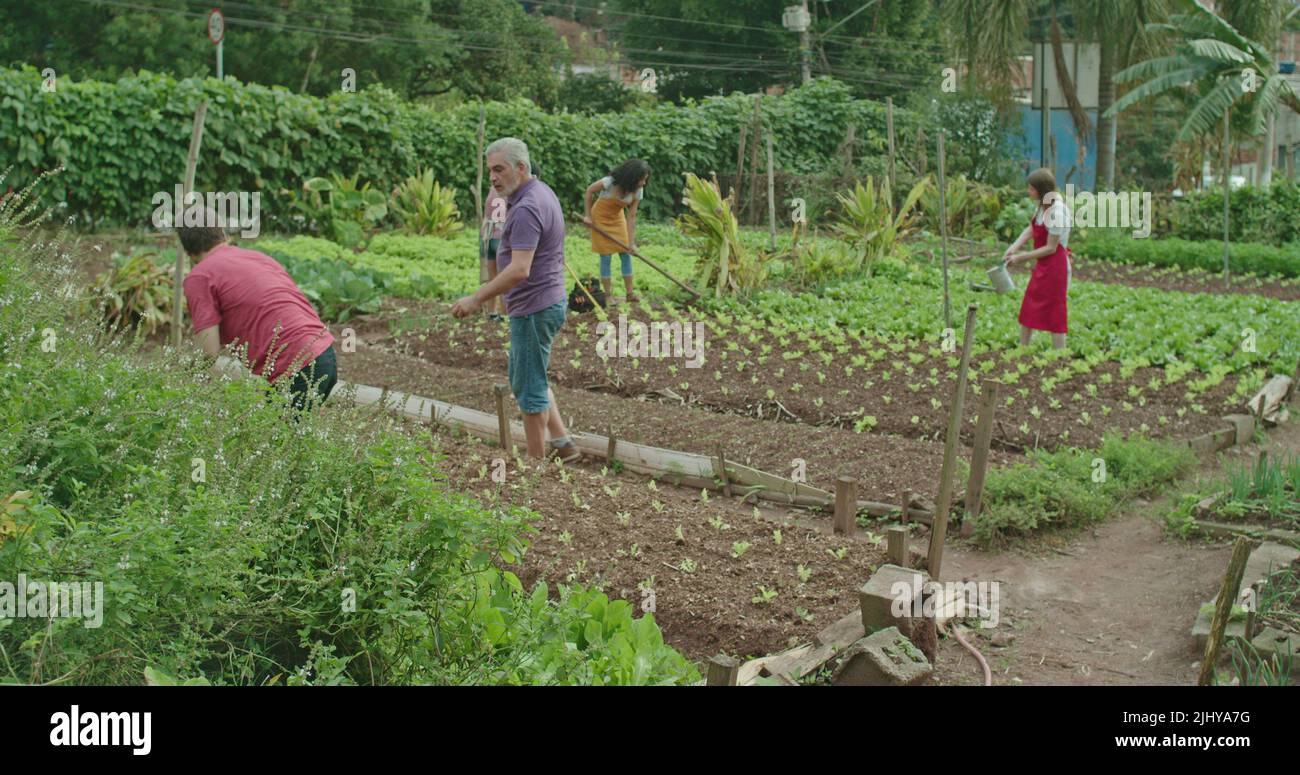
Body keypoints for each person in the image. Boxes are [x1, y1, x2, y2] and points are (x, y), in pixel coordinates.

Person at [451, 137, 580, 463]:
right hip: (542, 302)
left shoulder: (527, 208)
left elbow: (519, 269)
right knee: (532, 375)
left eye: (499, 169)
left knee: (527, 386)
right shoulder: (540, 191)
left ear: (521, 167)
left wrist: (476, 299)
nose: (493, 178)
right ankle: (564, 446)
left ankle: (536, 465)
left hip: (536, 308)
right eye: (490, 171)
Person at [179, 215, 337, 410]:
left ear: (187, 251)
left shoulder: (200, 276)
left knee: (276, 437)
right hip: (324, 352)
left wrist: (184, 385)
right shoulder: (257, 257)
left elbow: (208, 352)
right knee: (285, 434)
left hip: (296, 365)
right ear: (223, 234)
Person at [1003, 167, 1072, 350]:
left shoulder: (1057, 212)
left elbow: (1051, 248)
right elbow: (1032, 229)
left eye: (1032, 189)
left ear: (1042, 190)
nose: (1029, 191)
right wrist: (1013, 248)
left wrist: (1022, 257)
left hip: (1055, 267)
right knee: (1030, 305)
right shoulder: (1042, 206)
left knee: (1055, 310)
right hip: (1043, 265)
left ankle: (1060, 355)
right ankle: (1022, 349)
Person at [581, 158, 650, 305]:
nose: (643, 183)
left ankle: (630, 294)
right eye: (641, 179)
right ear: (632, 177)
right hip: (599, 219)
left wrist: (631, 243)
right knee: (606, 257)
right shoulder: (609, 182)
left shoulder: (638, 191)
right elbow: (589, 191)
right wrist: (588, 216)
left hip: (617, 219)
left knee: (626, 254)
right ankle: (608, 296)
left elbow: (631, 217)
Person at [480, 185, 508, 320]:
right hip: (501, 236)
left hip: (487, 235)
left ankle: (491, 313)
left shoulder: (492, 189)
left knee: (492, 279)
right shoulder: (511, 189)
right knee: (505, 279)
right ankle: (506, 314)